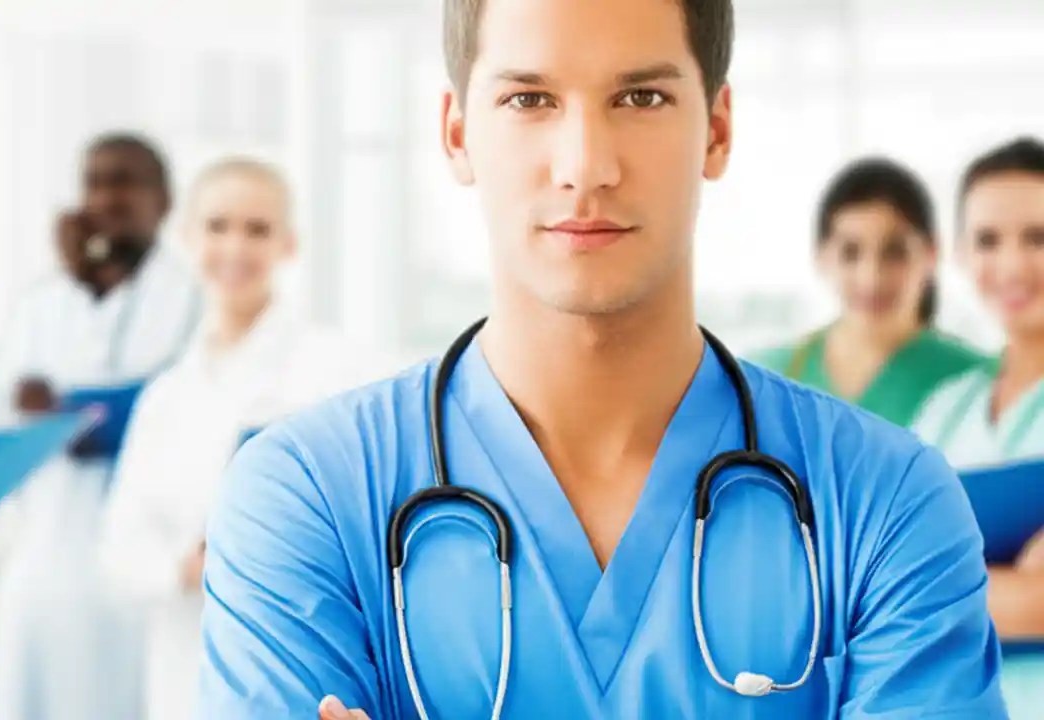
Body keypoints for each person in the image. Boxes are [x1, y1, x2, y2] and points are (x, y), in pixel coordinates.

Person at [198, 0, 1009, 717]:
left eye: (641, 97)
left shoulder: (885, 505)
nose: (585, 165)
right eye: (529, 99)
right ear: (456, 133)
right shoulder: (304, 500)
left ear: (717, 130)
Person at [99, 157, 384, 720]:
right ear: (186, 239)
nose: (235, 247)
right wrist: (185, 567)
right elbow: (117, 550)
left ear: (288, 245)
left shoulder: (336, 370)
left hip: (303, 667)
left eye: (257, 230)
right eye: (217, 226)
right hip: (186, 670)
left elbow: (370, 515)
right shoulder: (167, 395)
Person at [0, 134, 200, 720]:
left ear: (163, 199)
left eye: (126, 181)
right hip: (40, 567)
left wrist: (67, 413)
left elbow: (167, 409)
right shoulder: (44, 298)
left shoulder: (190, 296)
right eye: (96, 182)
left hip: (136, 583)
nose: (108, 197)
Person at [912, 137, 1044, 719]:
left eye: (1038, 238)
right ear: (961, 254)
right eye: (988, 240)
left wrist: (927, 583)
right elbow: (869, 581)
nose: (1012, 265)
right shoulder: (944, 410)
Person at [752, 159, 983, 427]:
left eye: (895, 252)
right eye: (850, 253)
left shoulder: (973, 382)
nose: (871, 277)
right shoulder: (769, 378)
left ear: (932, 254)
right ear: (822, 256)